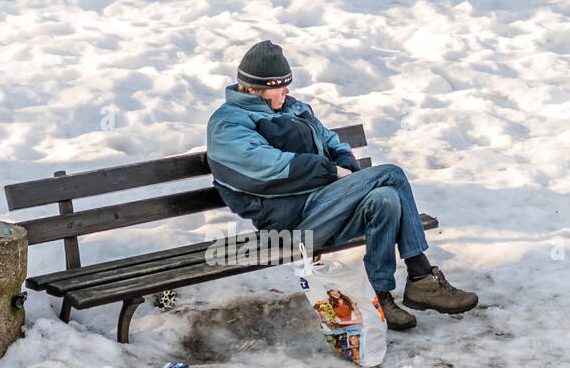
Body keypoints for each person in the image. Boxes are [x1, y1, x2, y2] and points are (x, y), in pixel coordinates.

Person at [205, 39, 479, 330]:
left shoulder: (293, 108)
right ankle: (421, 277)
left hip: (325, 209)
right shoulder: (229, 125)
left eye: (288, 84)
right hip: (289, 227)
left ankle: (380, 297)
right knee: (391, 174)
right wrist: (331, 172)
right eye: (280, 86)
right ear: (254, 87)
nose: (287, 91)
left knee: (385, 198)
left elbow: (332, 141)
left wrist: (345, 166)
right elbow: (269, 168)